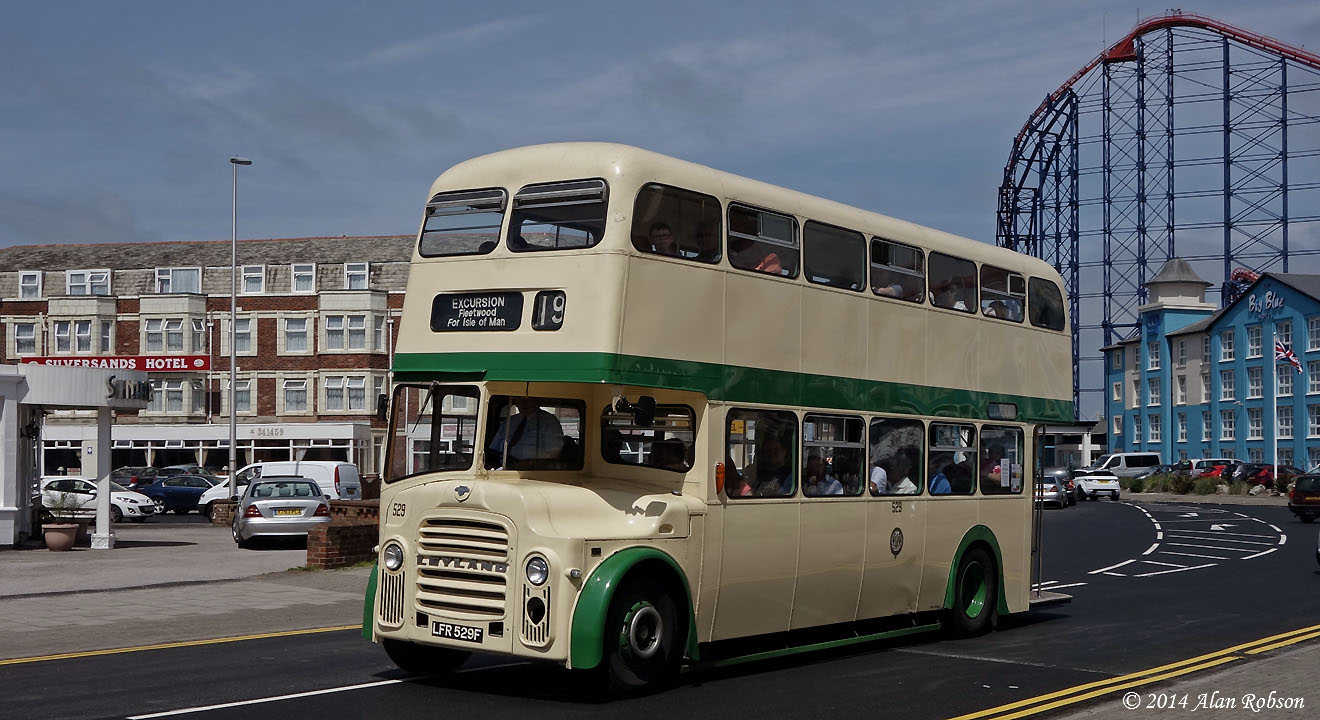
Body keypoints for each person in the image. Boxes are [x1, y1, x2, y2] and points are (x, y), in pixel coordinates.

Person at [487, 397, 564, 466]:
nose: (523, 402)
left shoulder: (550, 422)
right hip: (501, 470)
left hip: (535, 472)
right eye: (520, 399)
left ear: (536, 400)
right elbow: (494, 449)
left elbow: (554, 455)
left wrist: (530, 463)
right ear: (516, 402)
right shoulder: (509, 422)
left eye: (528, 399)